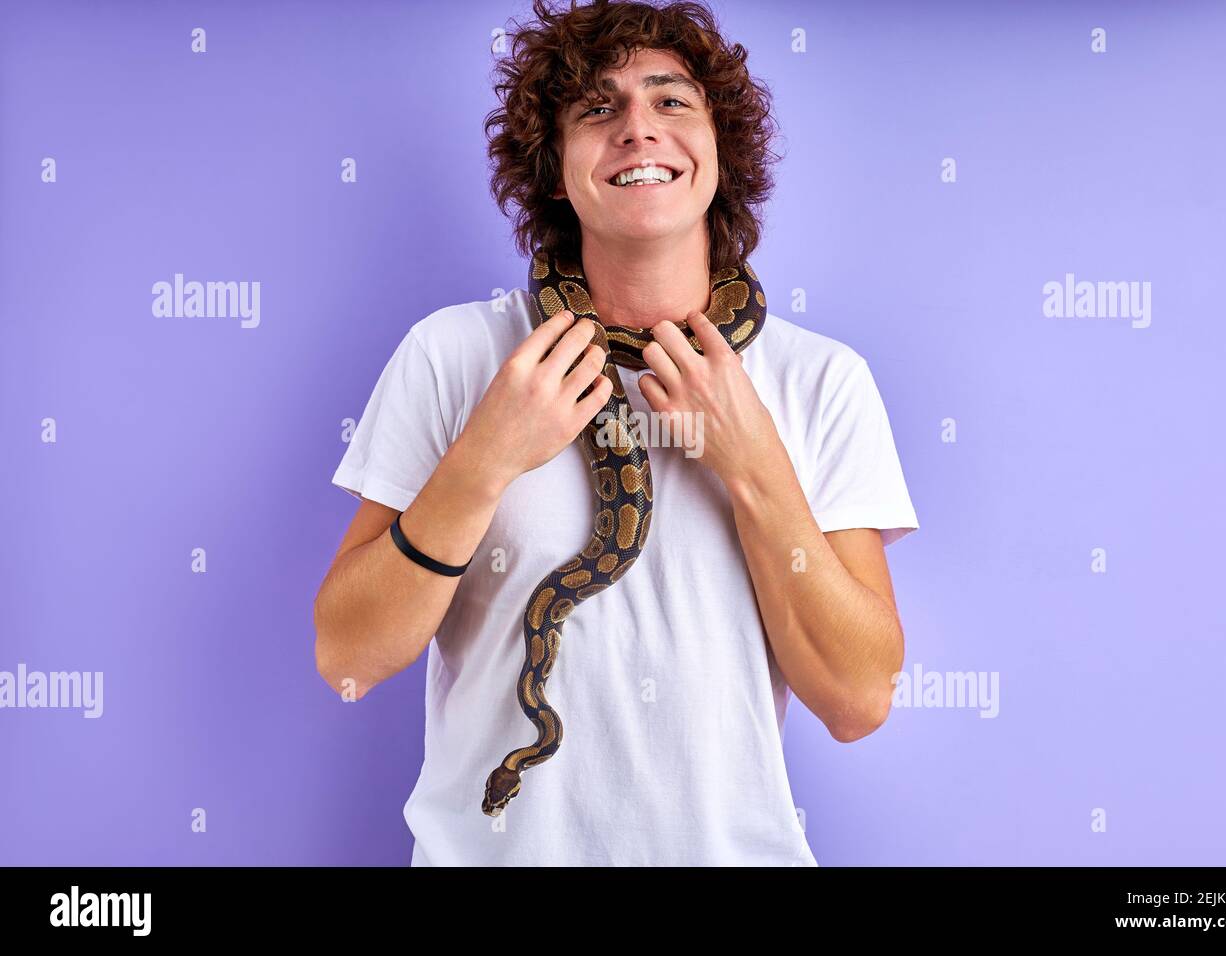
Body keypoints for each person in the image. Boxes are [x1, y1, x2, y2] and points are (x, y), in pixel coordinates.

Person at [313, 0, 919, 866]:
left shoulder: (820, 380)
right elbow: (348, 657)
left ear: (721, 152)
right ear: (556, 169)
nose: (638, 128)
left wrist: (754, 467)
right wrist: (483, 463)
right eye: (597, 108)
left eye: (671, 102)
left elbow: (860, 700)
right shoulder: (456, 356)